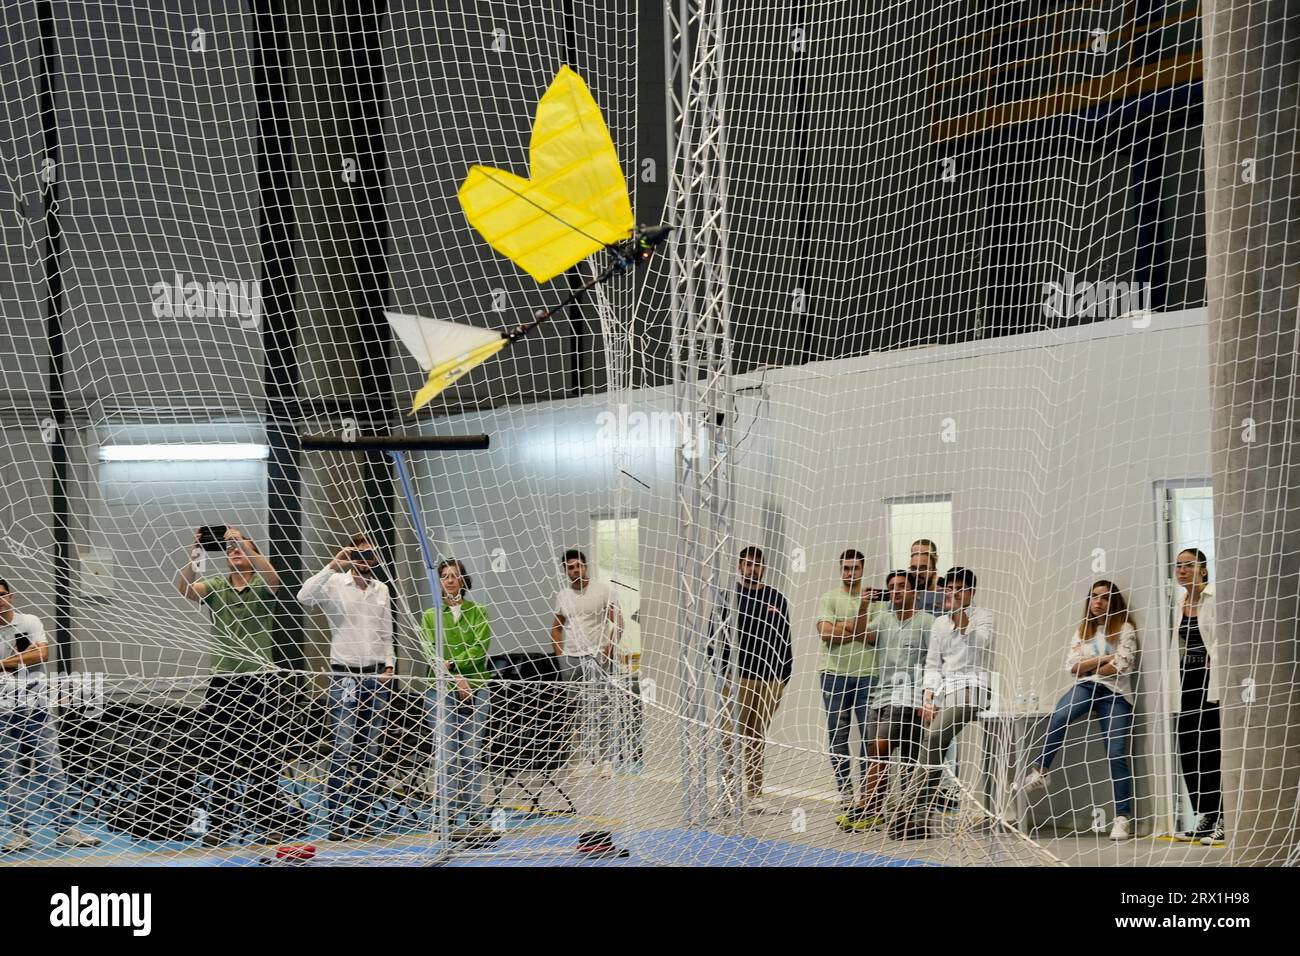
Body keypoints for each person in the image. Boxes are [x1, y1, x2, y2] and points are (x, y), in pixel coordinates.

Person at [176, 526, 285, 846]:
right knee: (222, 756)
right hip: (223, 681)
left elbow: (274, 577)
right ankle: (220, 825)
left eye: (240, 548)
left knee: (262, 756)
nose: (234, 551)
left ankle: (267, 823)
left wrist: (242, 541)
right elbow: (184, 588)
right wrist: (194, 552)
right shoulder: (217, 585)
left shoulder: (264, 587)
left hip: (260, 681)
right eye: (231, 549)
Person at [1021, 581, 1139, 840]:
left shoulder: (1125, 629)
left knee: (1116, 752)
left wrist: (1091, 665)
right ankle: (1041, 771)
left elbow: (1122, 665)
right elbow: (1073, 667)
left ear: (1114, 602)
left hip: (1116, 695)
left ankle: (1122, 818)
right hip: (1086, 687)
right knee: (1060, 715)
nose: (1098, 602)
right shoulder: (1083, 630)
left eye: (1105, 598)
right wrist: (1103, 660)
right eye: (1094, 597)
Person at [297, 535, 394, 841]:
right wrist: (333, 563)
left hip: (377, 676)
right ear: (350, 556)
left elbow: (387, 630)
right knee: (343, 748)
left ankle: (362, 817)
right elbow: (304, 597)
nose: (363, 559)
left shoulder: (382, 589)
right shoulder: (336, 582)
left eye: (368, 555)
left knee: (371, 751)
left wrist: (390, 665)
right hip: (344, 676)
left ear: (376, 559)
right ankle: (336, 819)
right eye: (357, 554)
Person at [891, 567, 995, 840]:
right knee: (933, 745)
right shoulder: (938, 624)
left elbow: (980, 645)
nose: (952, 593)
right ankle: (918, 817)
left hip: (975, 689)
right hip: (946, 691)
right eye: (949, 588)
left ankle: (909, 810)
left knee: (935, 737)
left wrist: (959, 614)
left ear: (971, 592)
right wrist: (928, 697)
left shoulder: (983, 617)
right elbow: (933, 665)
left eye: (959, 589)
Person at [0, 578, 101, 853]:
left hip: (36, 707)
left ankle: (65, 829)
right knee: (10, 775)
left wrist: (2, 664)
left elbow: (42, 655)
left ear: (11, 596)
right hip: (2, 711)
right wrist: (22, 658)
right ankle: (20, 833)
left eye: (1, 595)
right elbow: (30, 656)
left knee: (51, 768)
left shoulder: (29, 621)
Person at [841, 570, 935, 831]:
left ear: (914, 592)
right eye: (892, 587)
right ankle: (877, 810)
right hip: (879, 697)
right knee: (878, 754)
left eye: (902, 586)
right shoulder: (882, 618)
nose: (896, 591)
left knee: (883, 749)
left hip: (909, 698)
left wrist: (930, 697)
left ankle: (869, 807)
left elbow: (935, 661)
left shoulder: (927, 622)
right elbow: (860, 634)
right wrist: (863, 605)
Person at [712, 546, 793, 813]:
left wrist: (783, 679)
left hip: (769, 681)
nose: (752, 569)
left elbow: (785, 639)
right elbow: (714, 640)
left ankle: (755, 795)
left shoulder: (776, 598)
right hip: (736, 680)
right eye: (747, 564)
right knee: (729, 737)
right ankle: (728, 795)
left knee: (756, 738)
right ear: (739, 566)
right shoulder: (727, 597)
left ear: (764, 568)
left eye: (757, 564)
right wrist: (722, 675)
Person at [421, 559, 495, 837]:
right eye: (445, 576)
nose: (450, 580)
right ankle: (446, 816)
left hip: (476, 688)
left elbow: (479, 647)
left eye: (455, 575)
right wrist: (452, 675)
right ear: (439, 581)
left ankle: (476, 817)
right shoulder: (430, 615)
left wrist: (457, 668)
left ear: (463, 580)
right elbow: (429, 650)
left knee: (471, 753)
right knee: (446, 754)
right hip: (439, 690)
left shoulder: (479, 611)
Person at [816, 549, 879, 818]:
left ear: (862, 569)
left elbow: (875, 636)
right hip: (834, 675)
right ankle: (846, 795)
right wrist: (857, 627)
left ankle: (867, 798)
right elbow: (825, 633)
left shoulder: (874, 599)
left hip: (868, 675)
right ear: (839, 569)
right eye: (846, 568)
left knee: (869, 738)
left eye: (855, 568)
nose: (850, 572)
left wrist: (843, 626)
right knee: (838, 737)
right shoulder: (829, 598)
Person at [550, 549, 623, 776]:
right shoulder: (563, 595)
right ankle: (577, 760)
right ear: (566, 571)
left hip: (597, 657)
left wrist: (608, 649)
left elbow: (618, 622)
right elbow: (555, 628)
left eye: (578, 566)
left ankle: (606, 761)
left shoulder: (603, 590)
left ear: (585, 566)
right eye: (570, 567)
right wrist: (560, 655)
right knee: (574, 712)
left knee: (602, 709)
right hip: (571, 659)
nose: (575, 570)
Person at [1173, 548, 1223, 846]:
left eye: (1188, 565)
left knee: (1213, 748)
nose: (1182, 570)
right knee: (1188, 746)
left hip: (1210, 680)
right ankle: (1205, 814)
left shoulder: (1214, 598)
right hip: (1186, 680)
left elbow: (1219, 641)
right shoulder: (1178, 603)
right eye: (1178, 566)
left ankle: (1225, 818)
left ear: (1203, 570)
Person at [909, 539, 945, 614]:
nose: (919, 557)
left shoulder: (946, 587)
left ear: (935, 559)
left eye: (925, 554)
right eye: (915, 554)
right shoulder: (907, 585)